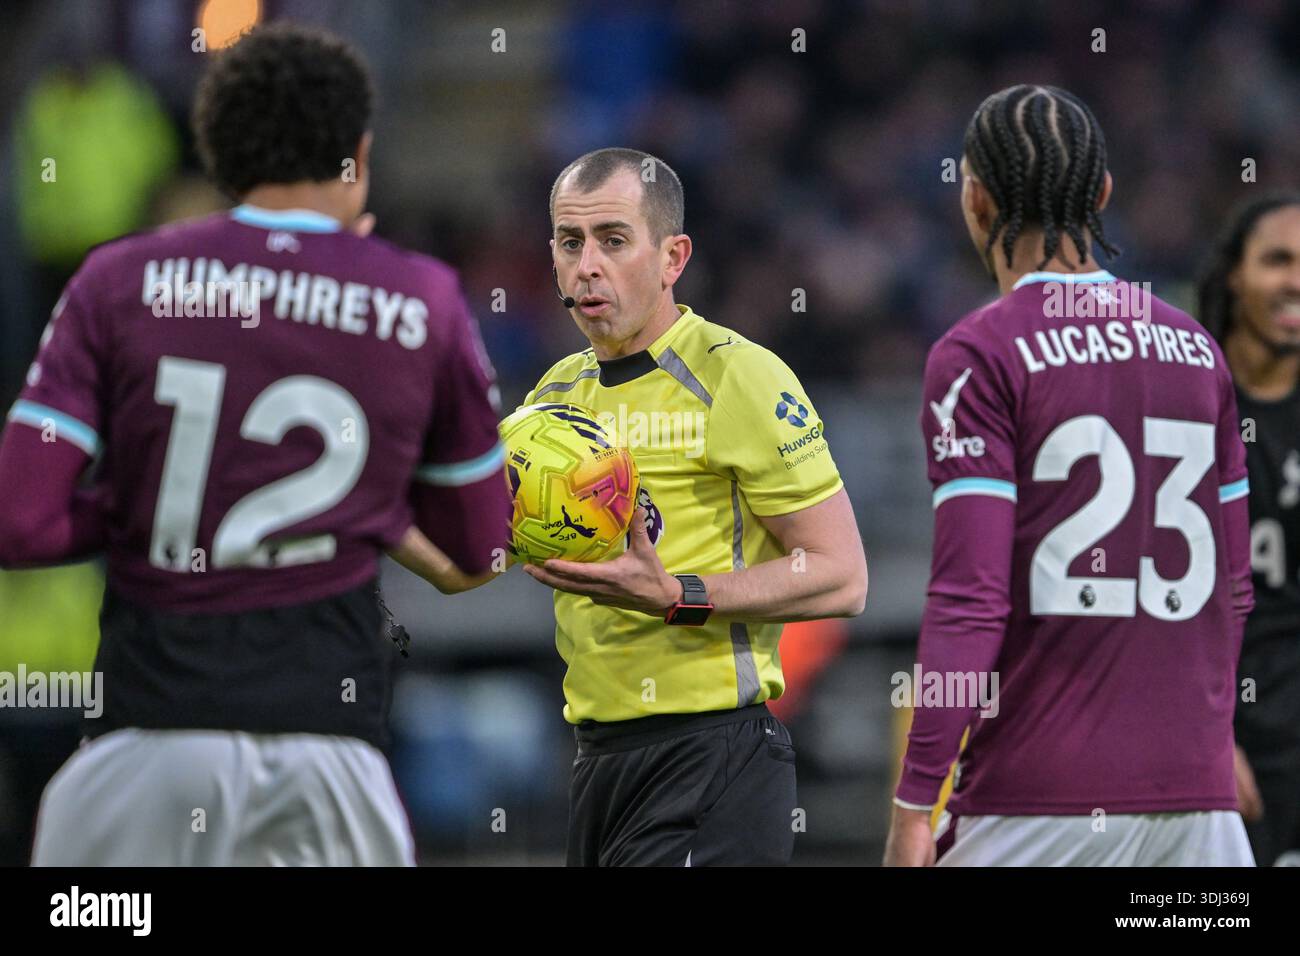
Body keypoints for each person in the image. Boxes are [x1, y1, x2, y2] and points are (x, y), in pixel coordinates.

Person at [0, 22, 510, 866]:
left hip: (146, 746)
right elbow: (482, 543)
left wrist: (164, 502)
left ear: (217, 155)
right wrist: (368, 508)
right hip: (330, 757)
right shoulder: (422, 298)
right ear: (358, 156)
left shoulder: (117, 280)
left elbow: (20, 522)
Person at [884, 85, 1255, 866]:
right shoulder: (1198, 351)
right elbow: (1234, 589)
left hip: (1034, 808)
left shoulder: (978, 355)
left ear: (975, 201)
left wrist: (917, 799)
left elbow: (969, 600)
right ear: (1103, 195)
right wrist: (1208, 744)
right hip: (1201, 814)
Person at [520, 147, 868, 866]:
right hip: (596, 761)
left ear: (673, 256)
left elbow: (842, 575)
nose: (587, 264)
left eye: (614, 240)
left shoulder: (737, 375)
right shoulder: (551, 399)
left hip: (712, 758)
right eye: (569, 241)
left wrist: (677, 595)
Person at [1198, 193, 1300, 866]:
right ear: (1234, 273)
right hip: (1205, 706)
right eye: (1277, 260)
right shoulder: (1181, 397)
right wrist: (1203, 736)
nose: (1296, 282)